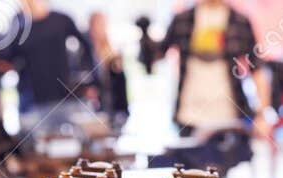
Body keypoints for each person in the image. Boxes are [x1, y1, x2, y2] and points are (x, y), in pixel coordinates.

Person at [149, 0, 272, 141]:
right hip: (188, 115)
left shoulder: (239, 21)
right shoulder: (182, 19)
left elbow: (258, 69)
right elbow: (157, 55)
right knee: (188, 161)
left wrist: (262, 114)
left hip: (229, 116)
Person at [2, 0, 96, 134]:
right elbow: (5, 59)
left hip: (66, 100)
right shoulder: (18, 25)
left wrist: (89, 81)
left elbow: (86, 46)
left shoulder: (61, 20)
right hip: (33, 104)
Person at [89, 10, 129, 128]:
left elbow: (120, 83)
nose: (100, 28)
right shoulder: (86, 52)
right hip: (96, 107)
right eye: (97, 24)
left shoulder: (112, 51)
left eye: (103, 24)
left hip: (113, 106)